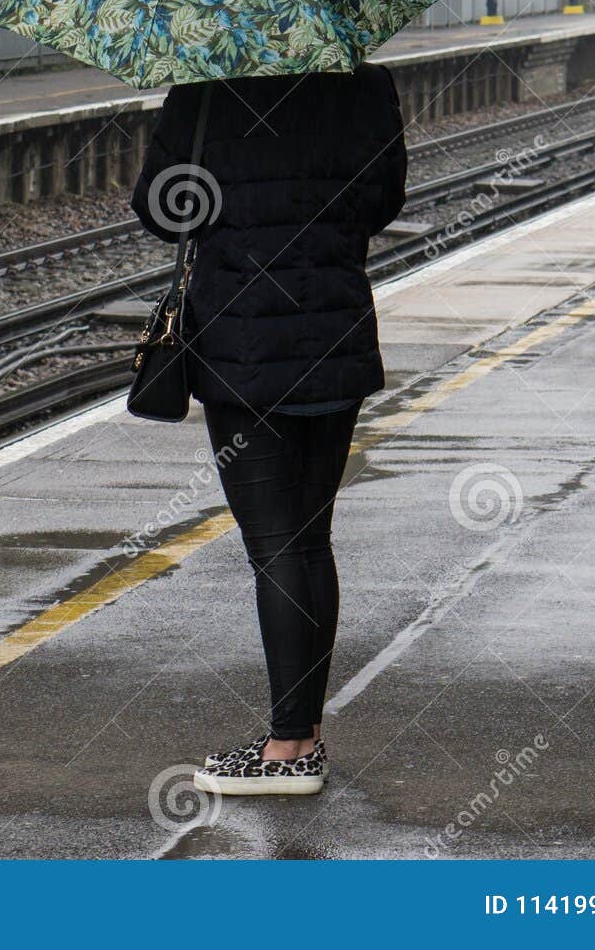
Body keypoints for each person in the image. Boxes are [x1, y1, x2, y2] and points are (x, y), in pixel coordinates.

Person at [129, 65, 407, 797]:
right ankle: (302, 737)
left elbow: (160, 209)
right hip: (336, 335)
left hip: (241, 346)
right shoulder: (364, 86)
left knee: (276, 548)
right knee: (310, 540)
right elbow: (382, 201)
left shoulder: (204, 90)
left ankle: (286, 749)